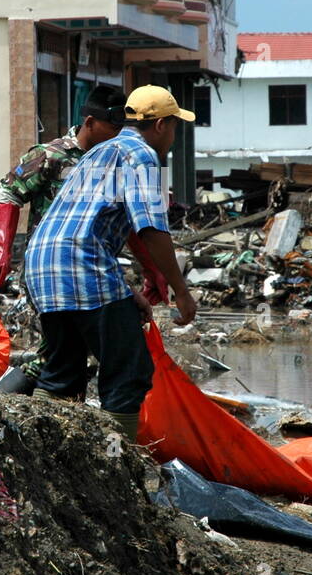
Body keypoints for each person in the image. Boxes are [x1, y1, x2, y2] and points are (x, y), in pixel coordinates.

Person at [21, 85, 198, 438]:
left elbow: (90, 224)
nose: (175, 136)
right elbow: (150, 229)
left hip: (43, 265)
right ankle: (119, 461)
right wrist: (181, 290)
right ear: (161, 125)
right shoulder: (143, 155)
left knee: (62, 370)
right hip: (81, 264)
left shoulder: (98, 152)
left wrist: (126, 292)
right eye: (176, 127)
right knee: (128, 373)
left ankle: (48, 458)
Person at [0, 85, 168, 395]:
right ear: (90, 123)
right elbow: (8, 192)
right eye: (113, 128)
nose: (118, 135)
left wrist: (152, 270)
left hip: (91, 267)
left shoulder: (114, 159)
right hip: (50, 269)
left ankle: (50, 415)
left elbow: (134, 222)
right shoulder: (52, 155)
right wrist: (1, 247)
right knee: (61, 354)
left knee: (70, 354)